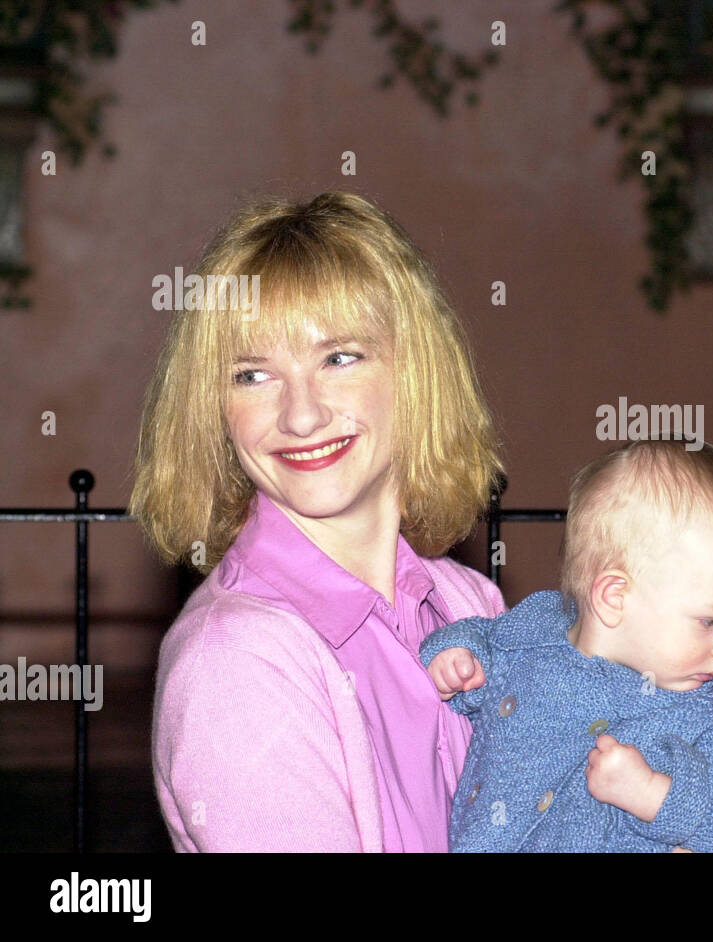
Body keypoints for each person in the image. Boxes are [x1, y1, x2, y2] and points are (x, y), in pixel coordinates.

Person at [133, 192, 505, 851]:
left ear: (413, 371)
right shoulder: (235, 663)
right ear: (215, 410)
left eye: (339, 358)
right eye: (252, 374)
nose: (300, 416)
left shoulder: (467, 602)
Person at [419, 440, 713, 851]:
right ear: (615, 598)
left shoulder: (711, 716)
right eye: (710, 622)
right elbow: (483, 641)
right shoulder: (535, 636)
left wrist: (654, 795)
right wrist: (455, 656)